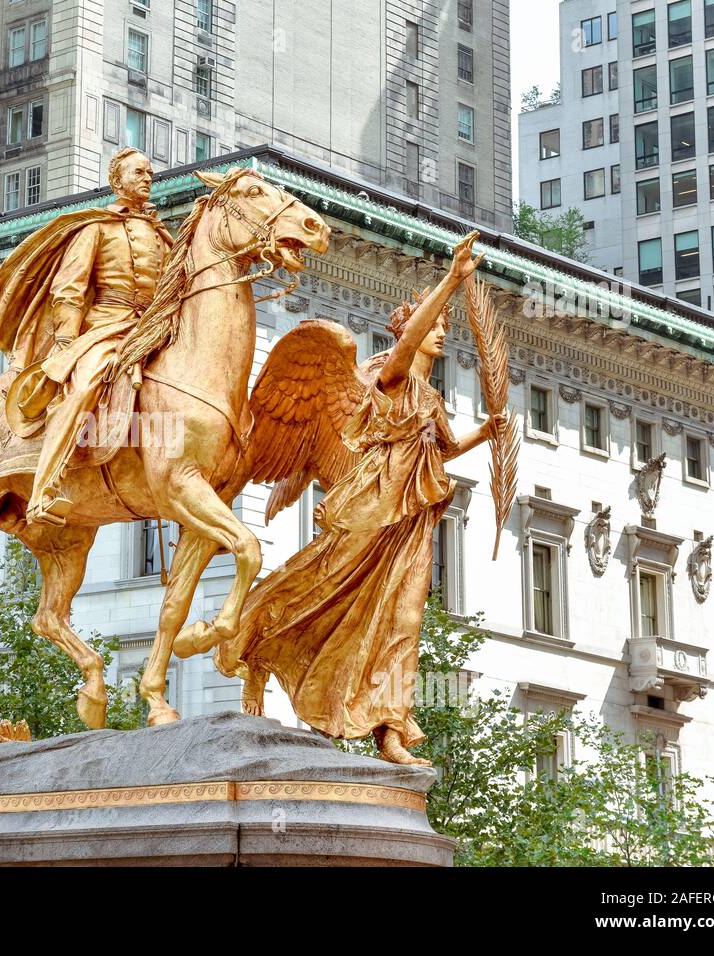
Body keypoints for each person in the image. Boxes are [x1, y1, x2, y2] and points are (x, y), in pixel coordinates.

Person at [213, 232, 502, 765]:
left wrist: (485, 434)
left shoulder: (431, 399)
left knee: (402, 621)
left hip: (412, 522)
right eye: (434, 329)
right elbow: (411, 342)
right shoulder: (389, 382)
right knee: (315, 589)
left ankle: (390, 727)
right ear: (407, 336)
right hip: (370, 509)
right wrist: (453, 280)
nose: (440, 337)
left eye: (441, 330)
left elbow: (441, 452)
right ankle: (255, 648)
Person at [0, 148, 173, 526]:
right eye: (138, 172)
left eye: (150, 173)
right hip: (105, 328)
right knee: (83, 389)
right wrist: (67, 342)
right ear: (117, 182)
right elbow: (69, 289)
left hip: (151, 329)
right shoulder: (95, 228)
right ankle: (45, 487)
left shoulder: (164, 237)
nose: (147, 178)